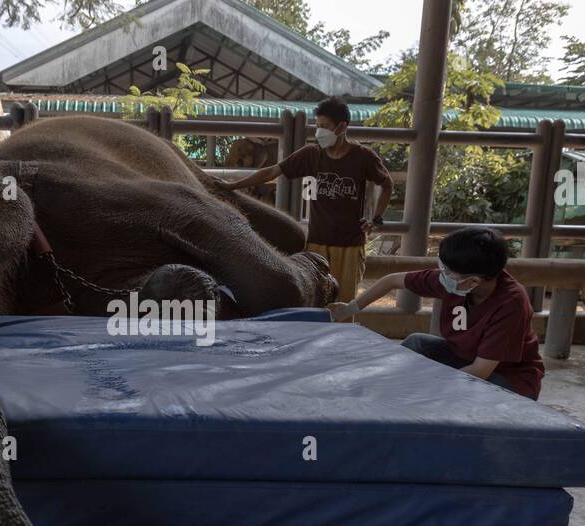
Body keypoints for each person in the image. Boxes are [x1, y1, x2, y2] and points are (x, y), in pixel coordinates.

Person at [330, 228, 544, 399]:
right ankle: (390, 393)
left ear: (474, 281)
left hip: (508, 379)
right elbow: (392, 280)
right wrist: (349, 309)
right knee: (417, 343)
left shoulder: (511, 303)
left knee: (471, 396)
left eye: (448, 272)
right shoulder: (456, 280)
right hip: (464, 358)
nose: (442, 275)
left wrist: (425, 387)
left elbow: (481, 371)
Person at [215, 97, 392, 303]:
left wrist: (376, 218)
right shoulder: (311, 155)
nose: (319, 132)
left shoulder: (364, 157)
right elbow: (272, 171)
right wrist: (231, 185)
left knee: (344, 306)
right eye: (317, 126)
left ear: (342, 127)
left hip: (350, 246)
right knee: (315, 304)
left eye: (324, 126)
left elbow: (386, 183)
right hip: (317, 243)